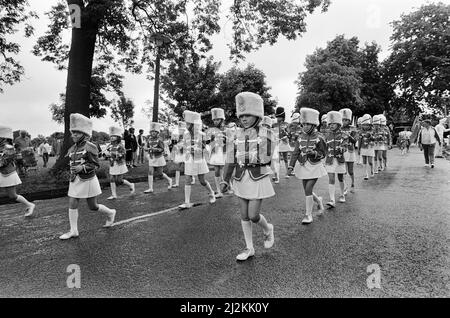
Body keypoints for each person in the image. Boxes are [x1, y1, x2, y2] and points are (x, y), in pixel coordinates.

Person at [220, 92, 275, 261]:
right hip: (240, 177)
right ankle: (249, 247)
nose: (243, 118)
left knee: (253, 215)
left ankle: (267, 229)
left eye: (247, 115)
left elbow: (267, 157)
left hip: (257, 177)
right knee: (243, 215)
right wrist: (225, 179)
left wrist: (250, 157)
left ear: (257, 114)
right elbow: (230, 159)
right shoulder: (235, 135)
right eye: (241, 115)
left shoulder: (266, 133)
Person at [60, 114, 116, 240]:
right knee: (72, 201)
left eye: (77, 133)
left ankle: (111, 212)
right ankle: (73, 230)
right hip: (75, 179)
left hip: (88, 179)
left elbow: (95, 165)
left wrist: (82, 168)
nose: (74, 135)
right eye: (73, 133)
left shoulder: (90, 147)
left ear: (84, 134)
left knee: (93, 206)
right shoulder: (73, 148)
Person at [288, 108, 327, 224]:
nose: (304, 126)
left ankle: (308, 215)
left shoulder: (320, 138)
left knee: (308, 188)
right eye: (303, 124)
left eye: (307, 124)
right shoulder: (300, 137)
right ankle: (319, 201)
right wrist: (290, 167)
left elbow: (323, 153)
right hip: (302, 165)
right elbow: (295, 153)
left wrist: (314, 153)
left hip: (315, 166)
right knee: (306, 190)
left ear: (314, 124)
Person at [178, 111, 216, 209]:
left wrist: (198, 149)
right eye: (186, 123)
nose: (186, 125)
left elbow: (205, 148)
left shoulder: (201, 134)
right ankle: (187, 202)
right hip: (189, 159)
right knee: (187, 179)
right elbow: (184, 147)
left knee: (202, 181)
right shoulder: (185, 135)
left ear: (193, 124)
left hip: (199, 159)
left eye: (188, 124)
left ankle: (211, 193)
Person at [0, 126, 36, 217]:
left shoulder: (9, 148)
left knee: (12, 195)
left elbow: (3, 162)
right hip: (3, 173)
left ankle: (29, 204)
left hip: (7, 174)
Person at [324, 111, 349, 208]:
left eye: (333, 123)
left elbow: (345, 146)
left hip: (339, 160)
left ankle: (342, 194)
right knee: (331, 178)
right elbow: (324, 148)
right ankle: (332, 200)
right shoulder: (326, 135)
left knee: (340, 178)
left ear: (338, 124)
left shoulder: (343, 135)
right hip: (329, 160)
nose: (331, 125)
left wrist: (342, 148)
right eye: (330, 123)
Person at [107, 126, 135, 200]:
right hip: (112, 164)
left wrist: (114, 155)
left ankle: (131, 184)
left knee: (119, 181)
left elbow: (123, 154)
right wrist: (106, 154)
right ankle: (114, 195)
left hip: (119, 164)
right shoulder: (109, 145)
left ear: (118, 137)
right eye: (111, 136)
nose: (112, 137)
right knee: (112, 178)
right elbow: (107, 153)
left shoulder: (120, 146)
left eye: (114, 136)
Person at [143, 122, 173, 193]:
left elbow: (162, 149)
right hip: (151, 157)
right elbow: (145, 147)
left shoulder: (160, 140)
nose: (153, 133)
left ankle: (169, 179)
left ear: (157, 132)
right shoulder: (148, 139)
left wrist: (155, 149)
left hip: (158, 157)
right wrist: (146, 148)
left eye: (155, 132)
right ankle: (150, 188)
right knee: (150, 172)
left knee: (160, 173)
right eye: (152, 131)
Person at [206, 108, 227, 198]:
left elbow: (230, 141)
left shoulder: (226, 130)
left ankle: (227, 186)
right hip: (215, 152)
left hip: (224, 152)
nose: (215, 121)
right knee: (217, 170)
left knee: (224, 170)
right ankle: (219, 191)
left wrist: (224, 138)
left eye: (217, 119)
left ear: (222, 120)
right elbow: (208, 142)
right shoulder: (212, 130)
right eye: (214, 120)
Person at [340, 108, 357, 193]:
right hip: (342, 151)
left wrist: (349, 136)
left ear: (349, 120)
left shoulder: (353, 129)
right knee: (343, 171)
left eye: (346, 120)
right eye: (343, 120)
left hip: (350, 151)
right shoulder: (338, 129)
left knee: (350, 171)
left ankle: (353, 183)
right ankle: (345, 187)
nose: (344, 121)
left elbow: (355, 141)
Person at [273, 107, 292, 179]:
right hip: (277, 143)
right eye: (277, 117)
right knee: (276, 160)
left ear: (283, 117)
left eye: (280, 117)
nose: (278, 118)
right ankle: (276, 176)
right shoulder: (274, 125)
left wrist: (285, 134)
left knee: (285, 158)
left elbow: (289, 134)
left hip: (284, 143)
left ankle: (287, 173)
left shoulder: (286, 124)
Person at [358, 114, 375, 180]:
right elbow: (359, 141)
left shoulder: (372, 131)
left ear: (370, 125)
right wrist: (359, 149)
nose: (366, 126)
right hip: (363, 147)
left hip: (370, 147)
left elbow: (374, 139)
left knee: (370, 161)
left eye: (367, 125)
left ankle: (372, 170)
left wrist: (370, 136)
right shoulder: (360, 132)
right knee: (364, 161)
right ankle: (366, 174)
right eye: (364, 125)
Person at [170, 122, 186, 188]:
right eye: (180, 128)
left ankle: (192, 178)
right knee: (177, 168)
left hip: (185, 153)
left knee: (187, 167)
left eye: (182, 129)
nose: (181, 130)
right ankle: (177, 183)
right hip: (178, 153)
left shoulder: (187, 135)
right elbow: (174, 143)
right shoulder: (176, 135)